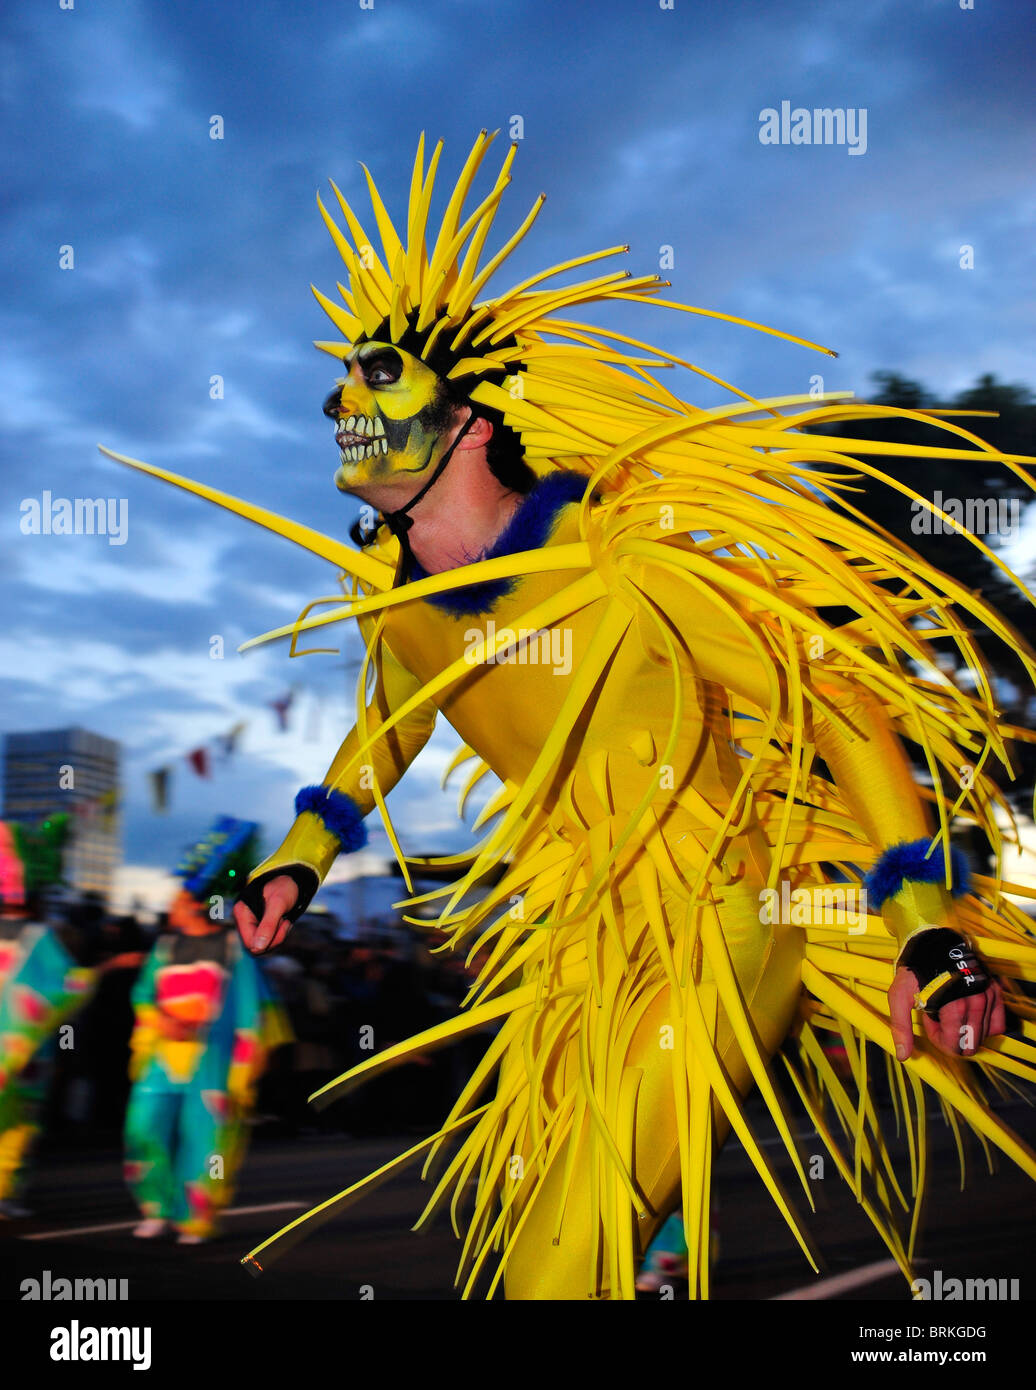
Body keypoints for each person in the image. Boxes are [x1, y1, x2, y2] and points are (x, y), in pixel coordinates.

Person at [103, 132, 1036, 1298]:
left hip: (729, 920)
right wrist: (296, 861)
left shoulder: (615, 558)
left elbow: (838, 697)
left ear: (471, 422)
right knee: (592, 1232)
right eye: (342, 375)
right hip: (587, 960)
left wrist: (923, 925)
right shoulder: (403, 604)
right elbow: (384, 729)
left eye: (378, 373)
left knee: (565, 1240)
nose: (340, 398)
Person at [123, 818, 290, 1243]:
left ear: (197, 903)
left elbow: (253, 1010)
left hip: (210, 1058)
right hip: (164, 1052)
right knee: (143, 1128)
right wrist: (163, 1019)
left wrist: (250, 1056)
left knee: (205, 1136)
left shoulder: (234, 950)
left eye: (179, 898)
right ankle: (155, 1205)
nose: (172, 905)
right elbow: (144, 995)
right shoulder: (164, 948)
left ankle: (195, 1216)